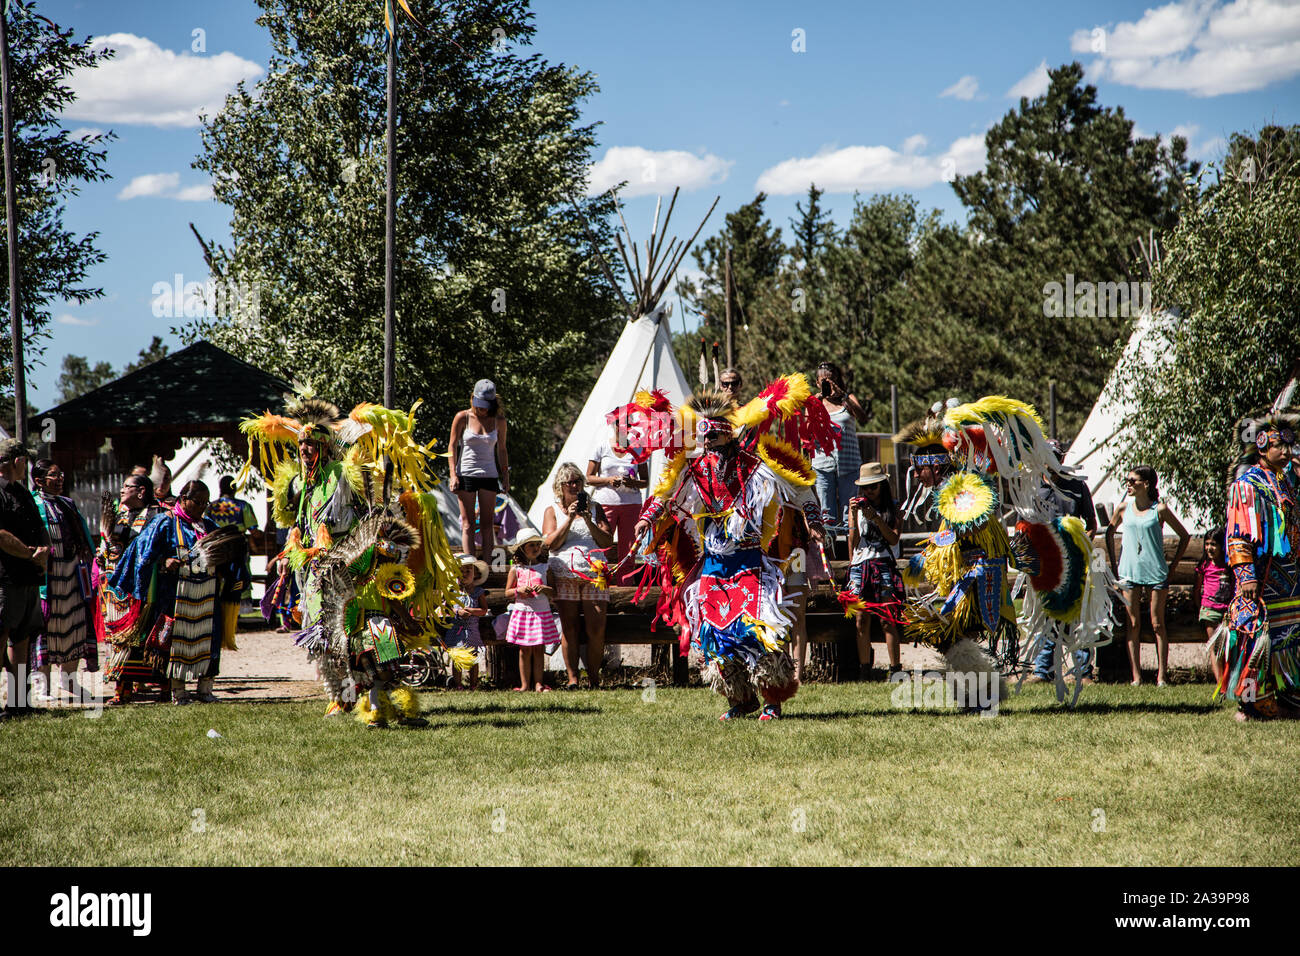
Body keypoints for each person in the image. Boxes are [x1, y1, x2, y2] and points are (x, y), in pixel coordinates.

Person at [627, 374, 828, 720]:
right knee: (715, 633)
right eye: (705, 438)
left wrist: (814, 520)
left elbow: (801, 487)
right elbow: (666, 495)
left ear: (729, 436)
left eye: (715, 437)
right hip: (714, 565)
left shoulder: (756, 467)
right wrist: (647, 519)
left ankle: (771, 701)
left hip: (750, 562)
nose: (708, 444)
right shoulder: (695, 469)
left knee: (758, 628)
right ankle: (740, 699)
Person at [107, 481, 249, 704]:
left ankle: (205, 689)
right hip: (176, 594)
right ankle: (178, 691)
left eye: (205, 502)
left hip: (207, 593)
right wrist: (165, 561)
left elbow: (227, 555)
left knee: (208, 638)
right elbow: (143, 555)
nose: (202, 507)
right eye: (198, 502)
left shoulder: (209, 526)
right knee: (176, 640)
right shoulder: (165, 522)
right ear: (183, 498)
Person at [1219, 413, 1298, 721]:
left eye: (1289, 447)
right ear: (1263, 446)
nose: (1286, 453)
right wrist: (1246, 574)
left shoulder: (1288, 483)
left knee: (1289, 636)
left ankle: (1288, 694)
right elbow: (1237, 534)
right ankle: (1252, 703)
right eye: (1280, 446)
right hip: (1260, 579)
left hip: (1289, 578)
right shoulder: (1247, 485)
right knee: (1255, 637)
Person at [1105, 464, 1190, 687]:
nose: (1129, 484)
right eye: (1128, 480)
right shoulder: (1124, 508)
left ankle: (1162, 675)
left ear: (1147, 484)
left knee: (1157, 623)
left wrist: (1172, 567)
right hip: (1129, 571)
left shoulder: (1159, 510)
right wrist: (1114, 565)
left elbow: (1184, 535)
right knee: (1132, 623)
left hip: (1156, 571)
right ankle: (1136, 676)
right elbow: (1109, 532)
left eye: (1133, 480)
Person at [1027, 440, 1100, 684]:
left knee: (1077, 613)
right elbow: (1025, 525)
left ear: (1063, 458)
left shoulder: (1077, 486)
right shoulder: (1033, 487)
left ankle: (1082, 670)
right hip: (1045, 561)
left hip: (1074, 559)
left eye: (1056, 456)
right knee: (1047, 614)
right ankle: (1042, 670)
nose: (1051, 462)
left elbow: (1092, 524)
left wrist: (1081, 546)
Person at [29, 460, 96, 703]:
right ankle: (42, 686)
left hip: (72, 573)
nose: (59, 479)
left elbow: (83, 535)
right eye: (53, 475)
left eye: (61, 474)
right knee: (47, 629)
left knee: (74, 626)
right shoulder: (32, 504)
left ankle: (69, 681)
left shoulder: (67, 504)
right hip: (46, 577)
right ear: (39, 480)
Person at [543, 462, 614, 689]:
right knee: (570, 627)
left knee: (596, 628)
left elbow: (606, 542)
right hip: (564, 573)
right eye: (569, 482)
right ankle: (573, 678)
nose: (574, 486)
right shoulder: (552, 510)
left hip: (594, 573)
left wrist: (587, 520)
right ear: (560, 486)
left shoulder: (595, 507)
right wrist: (570, 519)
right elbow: (550, 544)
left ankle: (594, 677)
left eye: (578, 481)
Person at [98, 474, 165, 704]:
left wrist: (123, 536)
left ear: (141, 491)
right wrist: (103, 553)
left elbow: (152, 544)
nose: (122, 489)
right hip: (116, 588)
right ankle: (122, 691)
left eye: (127, 486)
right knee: (118, 637)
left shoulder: (157, 515)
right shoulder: (119, 515)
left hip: (144, 586)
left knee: (147, 635)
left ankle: (162, 687)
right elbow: (108, 545)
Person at [0, 440, 50, 718]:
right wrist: (29, 554)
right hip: (5, 578)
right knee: (1, 635)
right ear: (16, 461)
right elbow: (0, 535)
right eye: (25, 462)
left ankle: (19, 703)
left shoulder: (23, 492)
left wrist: (44, 548)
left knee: (22, 640)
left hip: (28, 577)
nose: (27, 467)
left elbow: (40, 526)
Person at [841, 462, 903, 680]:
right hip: (861, 565)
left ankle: (895, 669)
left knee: (888, 618)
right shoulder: (856, 508)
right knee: (861, 619)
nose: (868, 492)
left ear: (882, 486)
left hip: (884, 564)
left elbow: (894, 538)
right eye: (865, 488)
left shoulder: (893, 508)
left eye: (873, 487)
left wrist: (875, 518)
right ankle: (864, 669)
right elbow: (854, 541)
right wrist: (853, 516)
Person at [449, 379, 509, 562]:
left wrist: (505, 476)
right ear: (472, 399)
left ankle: (488, 568)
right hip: (466, 473)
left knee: (487, 524)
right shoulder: (463, 417)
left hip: (489, 474)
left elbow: (502, 449)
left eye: (485, 406)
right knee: (467, 523)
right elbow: (452, 446)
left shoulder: (499, 421)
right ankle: (470, 565)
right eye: (478, 405)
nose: (481, 409)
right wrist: (453, 474)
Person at [810, 361, 868, 531]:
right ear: (817, 383)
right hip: (822, 464)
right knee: (825, 512)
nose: (827, 384)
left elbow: (863, 419)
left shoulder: (847, 400)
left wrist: (843, 396)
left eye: (830, 380)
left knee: (849, 511)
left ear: (837, 380)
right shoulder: (814, 402)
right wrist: (817, 401)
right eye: (823, 381)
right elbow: (805, 430)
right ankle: (828, 552)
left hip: (849, 463)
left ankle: (850, 551)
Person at [587, 428, 648, 585]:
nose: (622, 426)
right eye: (618, 422)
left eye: (626, 422)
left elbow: (645, 481)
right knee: (601, 546)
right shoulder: (602, 447)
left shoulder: (638, 448)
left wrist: (631, 482)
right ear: (612, 424)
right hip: (605, 503)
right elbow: (588, 478)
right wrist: (608, 480)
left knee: (628, 551)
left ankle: (625, 589)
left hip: (632, 504)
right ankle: (599, 588)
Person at [504, 530, 558, 692]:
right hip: (523, 612)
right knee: (524, 649)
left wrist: (544, 588)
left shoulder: (545, 567)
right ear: (522, 548)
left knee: (538, 649)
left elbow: (554, 591)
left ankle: (538, 683)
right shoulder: (516, 569)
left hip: (541, 612)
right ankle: (525, 684)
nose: (535, 548)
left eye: (537, 545)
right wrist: (518, 590)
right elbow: (507, 592)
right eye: (531, 545)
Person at [1193, 526, 1231, 687]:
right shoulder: (1204, 565)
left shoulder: (1229, 566)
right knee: (1214, 647)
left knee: (1228, 647)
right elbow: (1197, 589)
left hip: (1228, 611)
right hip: (1209, 610)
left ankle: (1230, 680)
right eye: (1207, 544)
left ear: (1222, 546)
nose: (1209, 548)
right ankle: (1220, 683)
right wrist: (1200, 607)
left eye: (1213, 544)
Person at [446, 553, 489, 690]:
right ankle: (458, 684)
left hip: (472, 630)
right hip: (456, 628)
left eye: (468, 571)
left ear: (475, 574)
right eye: (460, 571)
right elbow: (447, 607)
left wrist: (471, 611)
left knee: (473, 657)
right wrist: (457, 612)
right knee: (457, 657)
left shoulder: (478, 592)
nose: (464, 574)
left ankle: (473, 684)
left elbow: (483, 610)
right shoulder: (453, 591)